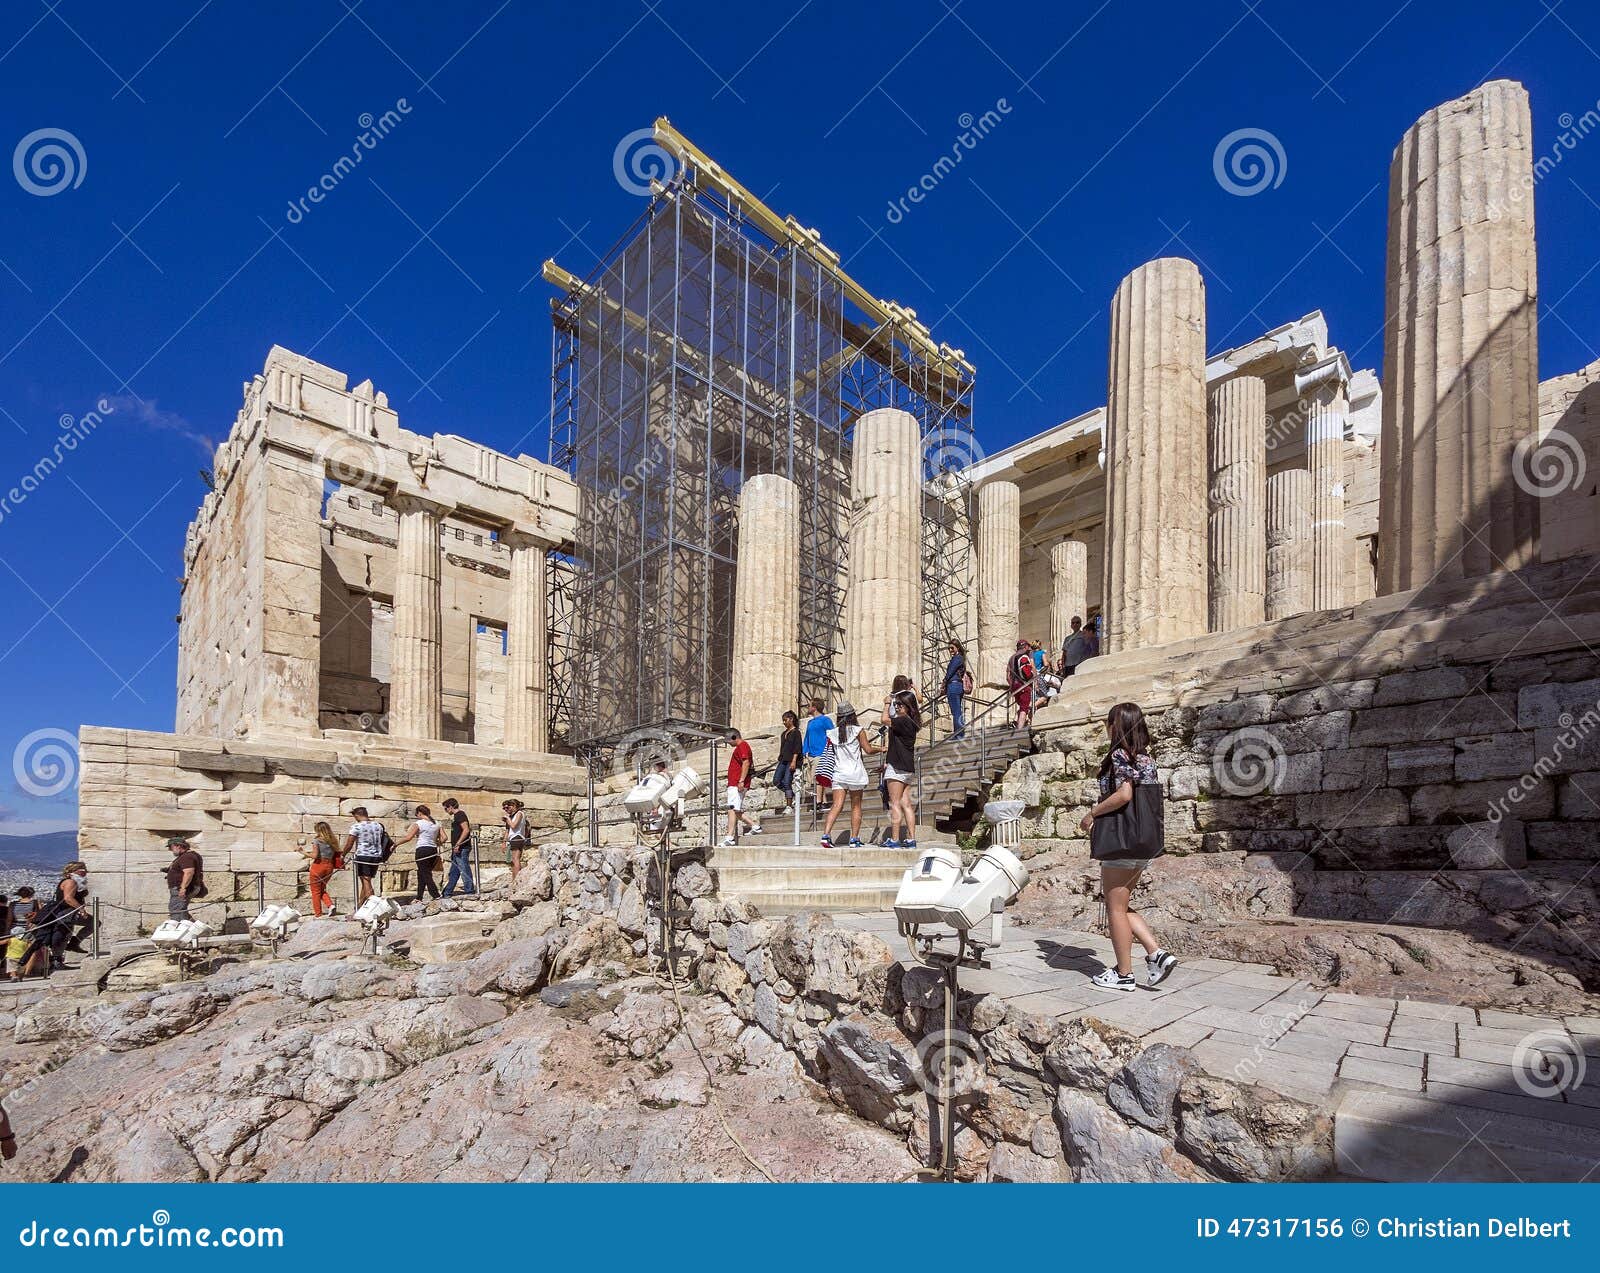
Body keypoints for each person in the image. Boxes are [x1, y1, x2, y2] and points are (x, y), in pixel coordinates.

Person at [1077, 702, 1176, 992]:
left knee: (1114, 908)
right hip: (1142, 841)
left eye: (1109, 723)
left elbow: (1123, 794)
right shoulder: (1147, 759)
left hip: (1121, 842)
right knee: (1122, 904)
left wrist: (1093, 813)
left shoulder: (1119, 755)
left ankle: (1124, 973)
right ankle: (1156, 954)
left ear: (1115, 726)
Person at [820, 701, 879, 849]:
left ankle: (826, 835)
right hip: (854, 773)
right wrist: (882, 749)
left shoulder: (833, 733)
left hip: (839, 773)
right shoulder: (858, 731)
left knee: (836, 805)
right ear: (852, 715)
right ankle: (854, 839)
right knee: (856, 806)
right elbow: (868, 750)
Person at [881, 676, 921, 849]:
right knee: (906, 804)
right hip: (907, 767)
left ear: (907, 706)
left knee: (895, 803)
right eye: (896, 705)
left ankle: (895, 839)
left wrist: (886, 704)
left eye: (899, 705)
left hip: (897, 767)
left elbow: (884, 720)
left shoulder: (902, 720)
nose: (896, 707)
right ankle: (911, 839)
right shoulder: (912, 722)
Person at [721, 729, 762, 845]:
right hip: (735, 782)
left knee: (732, 808)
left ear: (734, 737)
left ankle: (729, 837)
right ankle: (755, 826)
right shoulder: (740, 747)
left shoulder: (743, 746)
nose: (729, 744)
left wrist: (741, 780)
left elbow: (746, 762)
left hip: (737, 783)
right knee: (736, 810)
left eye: (729, 741)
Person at [394, 805, 442, 901]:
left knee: (426, 874)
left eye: (417, 815)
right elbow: (444, 838)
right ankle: (419, 897)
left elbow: (408, 837)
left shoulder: (419, 823)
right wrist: (435, 842)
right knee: (422, 873)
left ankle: (436, 895)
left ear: (420, 813)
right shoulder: (437, 823)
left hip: (422, 850)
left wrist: (396, 844)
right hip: (433, 850)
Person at [344, 807, 386, 904]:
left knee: (366, 881)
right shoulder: (378, 826)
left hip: (363, 856)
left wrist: (343, 855)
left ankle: (375, 907)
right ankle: (360, 907)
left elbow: (349, 843)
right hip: (376, 856)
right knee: (365, 881)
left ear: (357, 815)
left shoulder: (357, 826)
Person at [302, 821, 341, 917]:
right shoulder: (333, 841)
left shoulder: (317, 841)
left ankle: (318, 914)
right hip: (329, 866)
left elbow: (315, 856)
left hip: (318, 866)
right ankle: (330, 905)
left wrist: (303, 852)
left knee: (315, 891)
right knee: (322, 889)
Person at [441, 797, 476, 897]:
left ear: (451, 807)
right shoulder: (457, 816)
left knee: (464, 868)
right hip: (457, 848)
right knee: (454, 871)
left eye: (446, 808)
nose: (446, 811)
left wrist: (458, 844)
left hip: (462, 847)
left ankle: (469, 891)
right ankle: (447, 892)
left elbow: (466, 830)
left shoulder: (460, 814)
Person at [164, 839, 202, 924]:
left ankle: (180, 932)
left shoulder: (187, 857)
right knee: (181, 909)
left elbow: (189, 872)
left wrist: (183, 888)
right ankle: (195, 928)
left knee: (176, 909)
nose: (170, 850)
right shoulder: (185, 856)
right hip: (181, 887)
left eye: (171, 847)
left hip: (181, 888)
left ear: (178, 846)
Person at [773, 712, 802, 814]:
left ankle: (789, 805)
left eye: (785, 720)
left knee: (787, 781)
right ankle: (791, 795)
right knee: (776, 780)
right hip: (783, 760)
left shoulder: (796, 733)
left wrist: (794, 761)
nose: (784, 722)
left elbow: (797, 748)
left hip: (791, 760)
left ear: (791, 719)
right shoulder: (783, 733)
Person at [943, 640, 970, 739]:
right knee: (957, 710)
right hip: (957, 686)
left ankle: (959, 734)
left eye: (952, 648)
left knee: (956, 711)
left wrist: (944, 682)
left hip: (954, 686)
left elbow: (950, 672)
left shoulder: (957, 658)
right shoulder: (960, 658)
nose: (950, 650)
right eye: (949, 648)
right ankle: (959, 733)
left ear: (957, 647)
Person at [1007, 638, 1036, 728]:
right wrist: (1033, 677)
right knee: (1024, 708)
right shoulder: (1023, 656)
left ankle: (1020, 724)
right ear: (1026, 646)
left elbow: (1007, 676)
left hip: (1014, 686)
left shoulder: (1011, 658)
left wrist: (1012, 685)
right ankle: (1019, 730)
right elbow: (1026, 672)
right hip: (1023, 685)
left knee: (1023, 706)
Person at [502, 800, 529, 883]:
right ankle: (514, 880)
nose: (506, 809)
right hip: (513, 838)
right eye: (504, 808)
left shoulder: (519, 813)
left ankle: (517, 880)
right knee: (513, 860)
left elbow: (513, 826)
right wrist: (504, 842)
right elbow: (508, 830)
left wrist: (507, 819)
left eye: (508, 806)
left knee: (516, 859)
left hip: (517, 837)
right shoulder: (512, 816)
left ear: (514, 806)